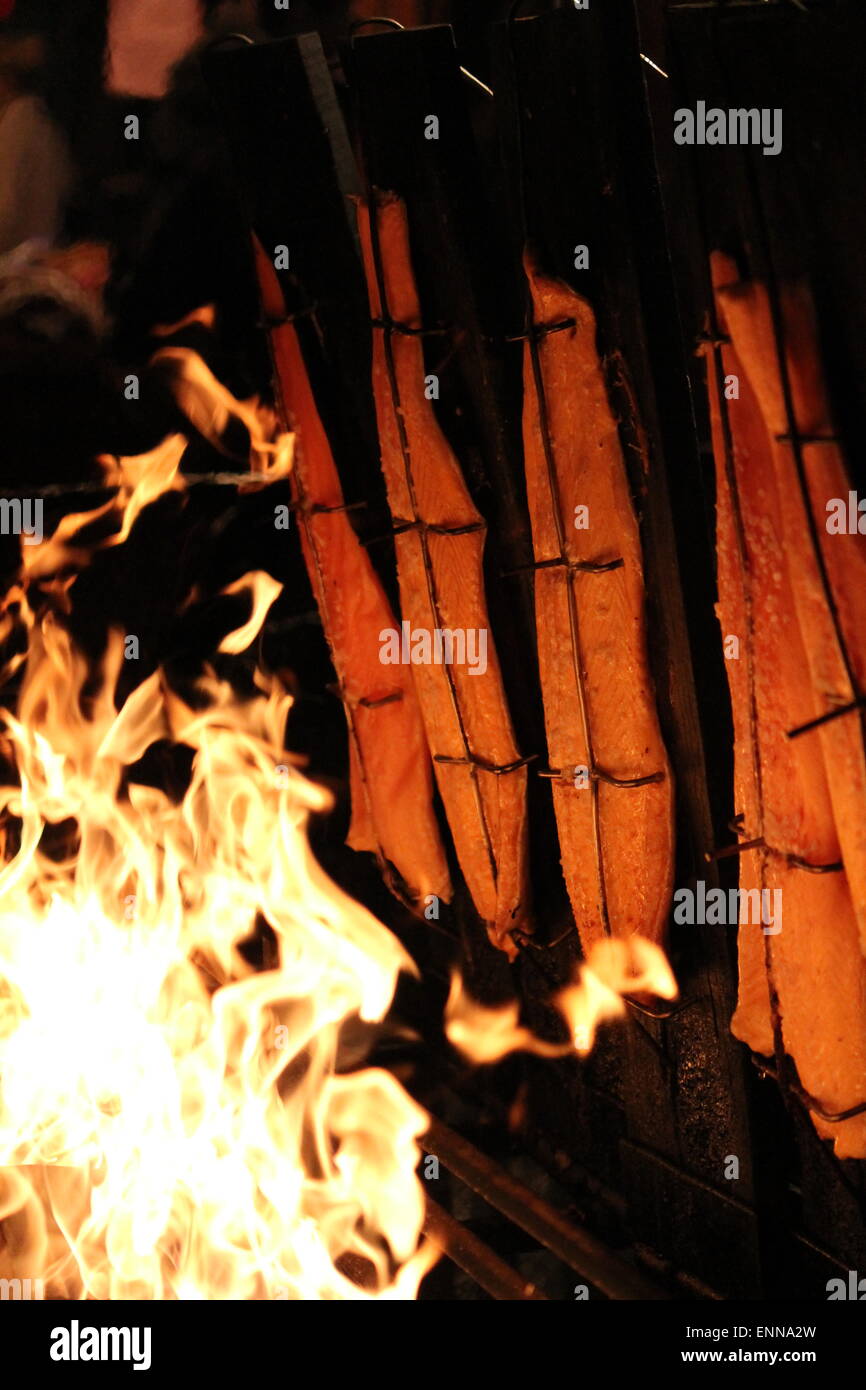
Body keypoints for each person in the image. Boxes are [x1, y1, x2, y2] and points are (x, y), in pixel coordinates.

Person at [0, 33, 73, 256]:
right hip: (38, 252)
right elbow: (67, 184)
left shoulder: (17, 124)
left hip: (15, 260)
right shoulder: (43, 121)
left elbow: (5, 211)